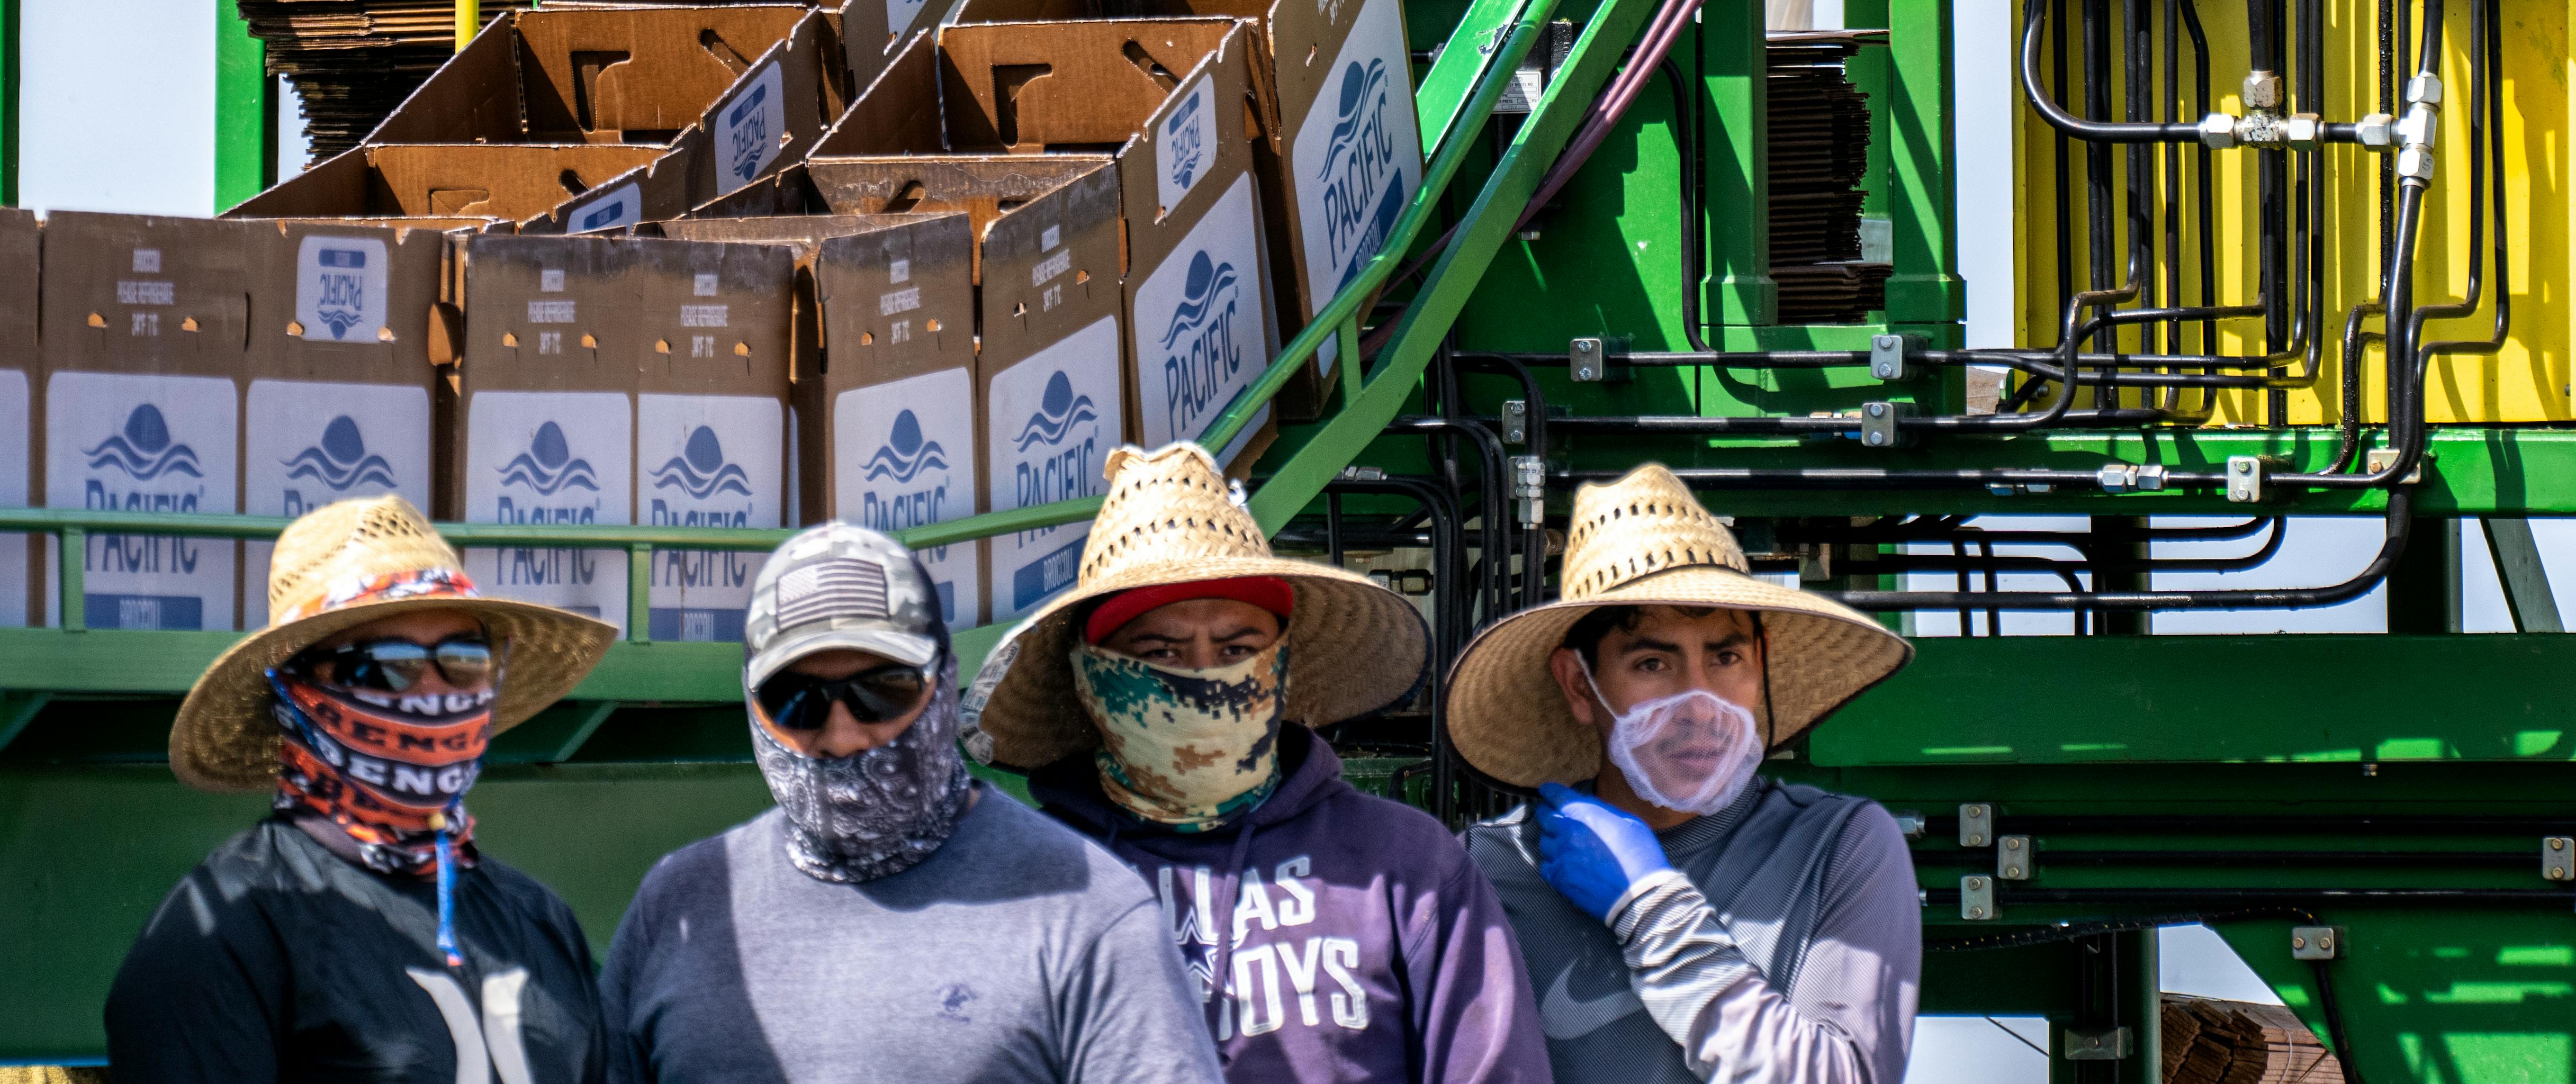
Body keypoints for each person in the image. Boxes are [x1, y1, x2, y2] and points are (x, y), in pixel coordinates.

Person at [974, 442, 1552, 1084]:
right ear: (1091, 679)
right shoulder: (1036, 880)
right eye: (1160, 650)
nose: (1202, 677)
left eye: (1236, 647)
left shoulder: (1406, 863)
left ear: (1279, 668)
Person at [595, 518, 1223, 1084]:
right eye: (796, 700)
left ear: (945, 684)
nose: (842, 735)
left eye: (883, 690)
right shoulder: (676, 905)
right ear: (752, 705)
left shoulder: (1085, 912)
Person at [110, 494, 619, 1084]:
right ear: (297, 693)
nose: (430, 690)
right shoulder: (227, 934)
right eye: (381, 664)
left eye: (462, 657)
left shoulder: (540, 920)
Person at [1444, 466, 1920, 1084]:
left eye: (1725, 657)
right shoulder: (1486, 872)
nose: (1699, 703)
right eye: (1651, 663)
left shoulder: (1836, 848)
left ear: (1760, 665)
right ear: (1578, 684)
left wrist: (1650, 907)